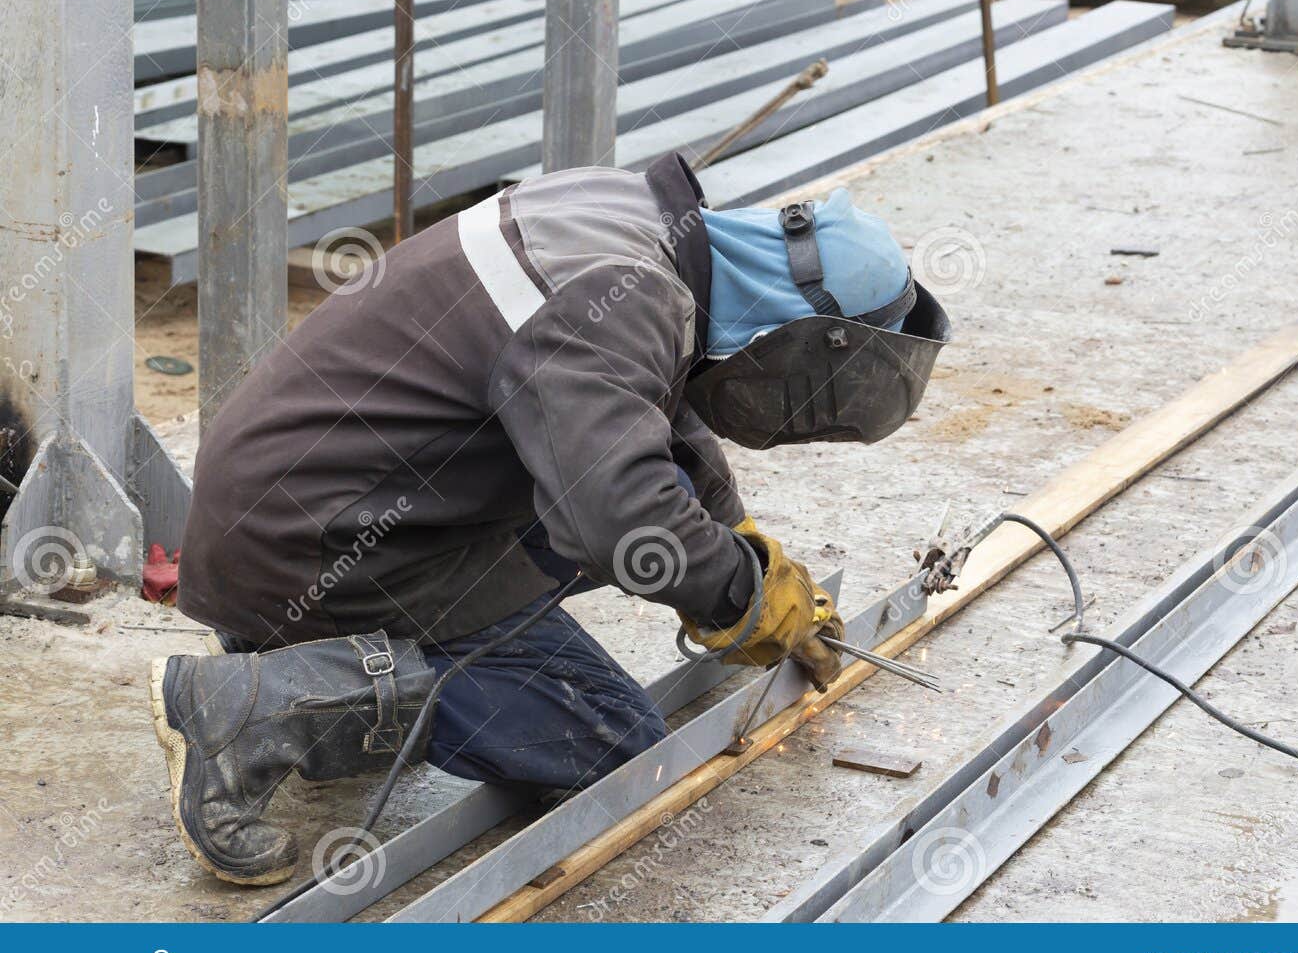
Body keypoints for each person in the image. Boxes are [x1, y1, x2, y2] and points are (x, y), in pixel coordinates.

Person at [149, 153, 951, 886]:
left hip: (307, 506)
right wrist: (738, 593)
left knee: (616, 508)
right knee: (609, 743)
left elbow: (654, 416)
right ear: (807, 338)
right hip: (310, 549)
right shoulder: (620, 303)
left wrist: (742, 548)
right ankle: (256, 703)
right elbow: (622, 516)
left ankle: (325, 663)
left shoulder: (638, 224)